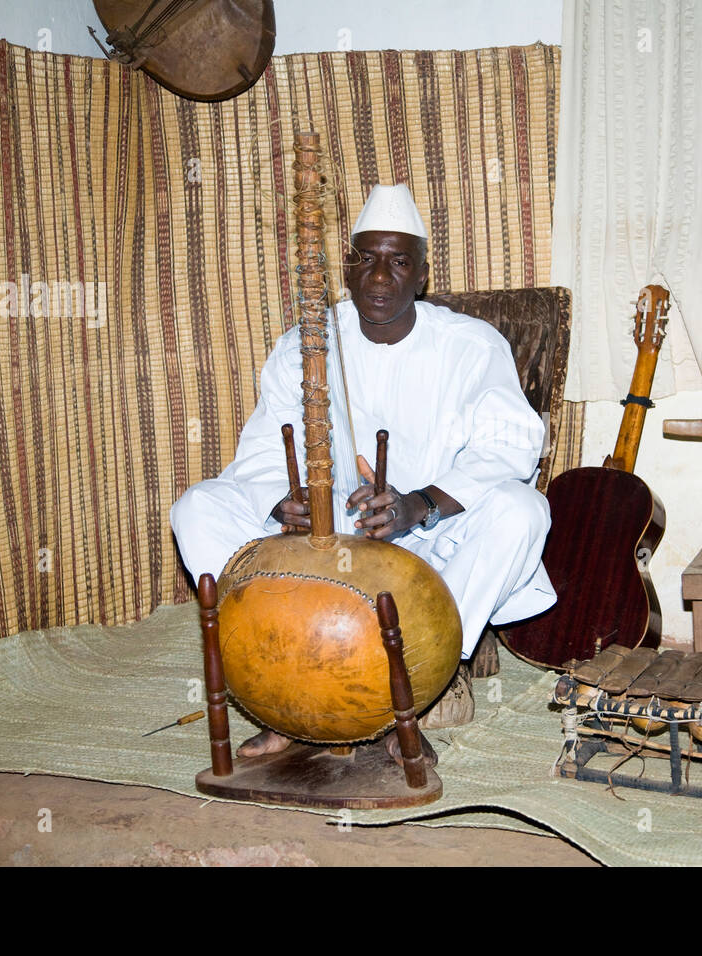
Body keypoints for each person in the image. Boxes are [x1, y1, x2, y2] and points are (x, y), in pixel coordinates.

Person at [170, 184, 556, 756]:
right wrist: (284, 501)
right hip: (328, 548)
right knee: (196, 507)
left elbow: (511, 447)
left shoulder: (471, 346)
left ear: (422, 274)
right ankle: (287, 679)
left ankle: (421, 678)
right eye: (366, 259)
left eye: (399, 261)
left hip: (434, 544)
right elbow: (259, 450)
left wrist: (418, 504)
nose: (380, 277)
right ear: (347, 270)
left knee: (524, 511)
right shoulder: (308, 342)